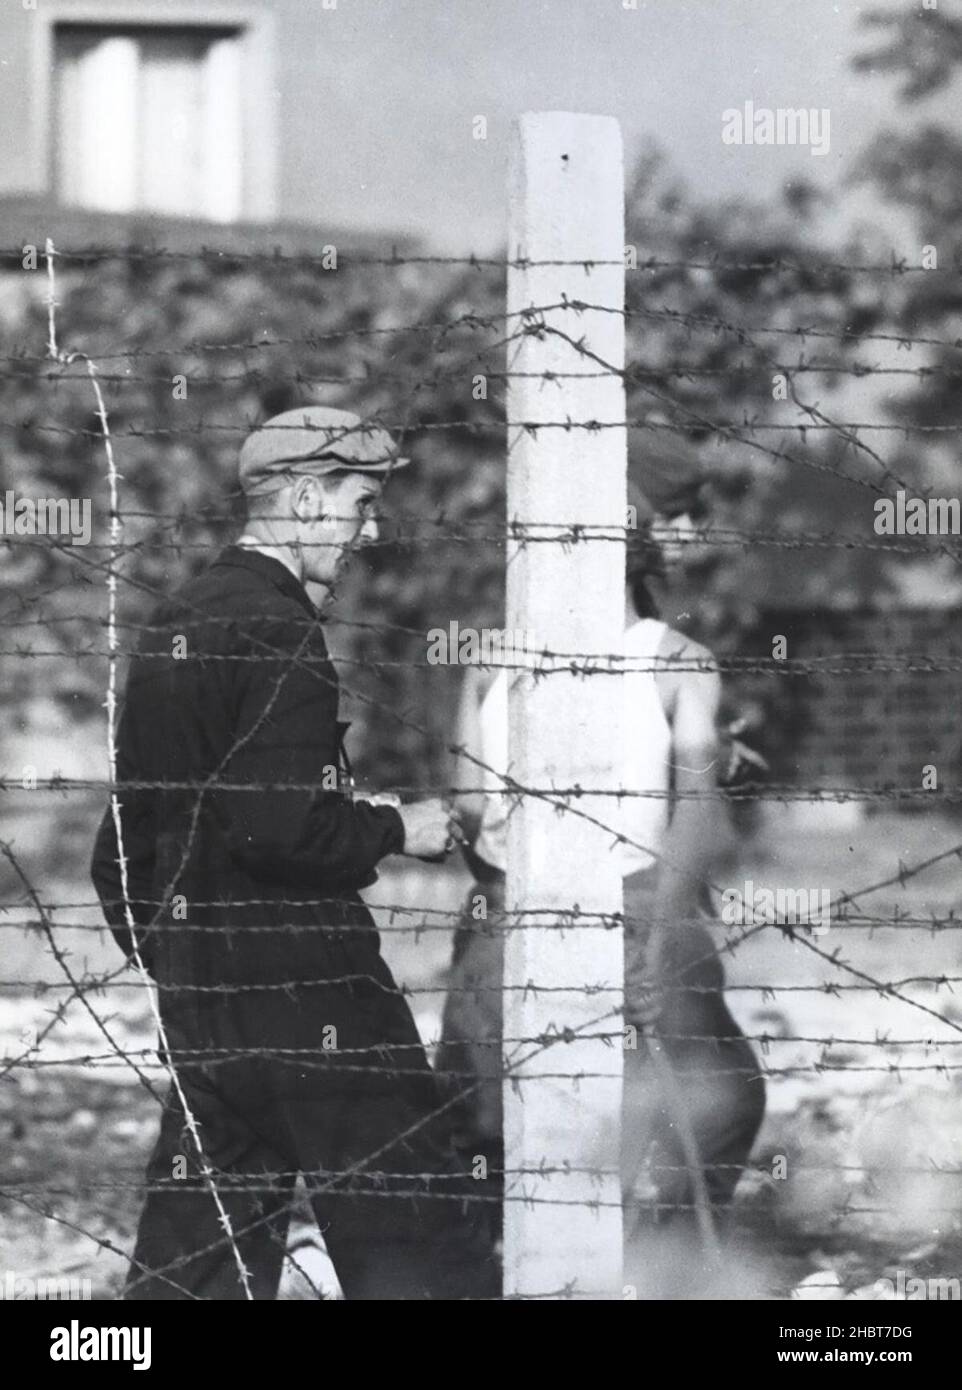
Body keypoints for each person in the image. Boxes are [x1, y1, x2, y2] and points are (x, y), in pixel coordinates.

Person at [91, 406, 497, 1300]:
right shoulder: (281, 631)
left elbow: (121, 850)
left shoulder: (177, 619)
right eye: (361, 501)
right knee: (419, 1255)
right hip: (316, 996)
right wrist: (400, 830)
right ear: (308, 499)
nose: (371, 528)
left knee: (194, 1274)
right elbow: (278, 829)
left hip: (205, 1005)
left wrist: (186, 968)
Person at [436, 482, 765, 1256]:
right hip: (588, 911)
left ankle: (560, 1264)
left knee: (502, 1120)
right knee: (702, 1110)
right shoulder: (668, 664)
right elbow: (694, 812)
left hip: (542, 911)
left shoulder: (499, 658)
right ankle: (636, 1261)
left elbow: (470, 812)